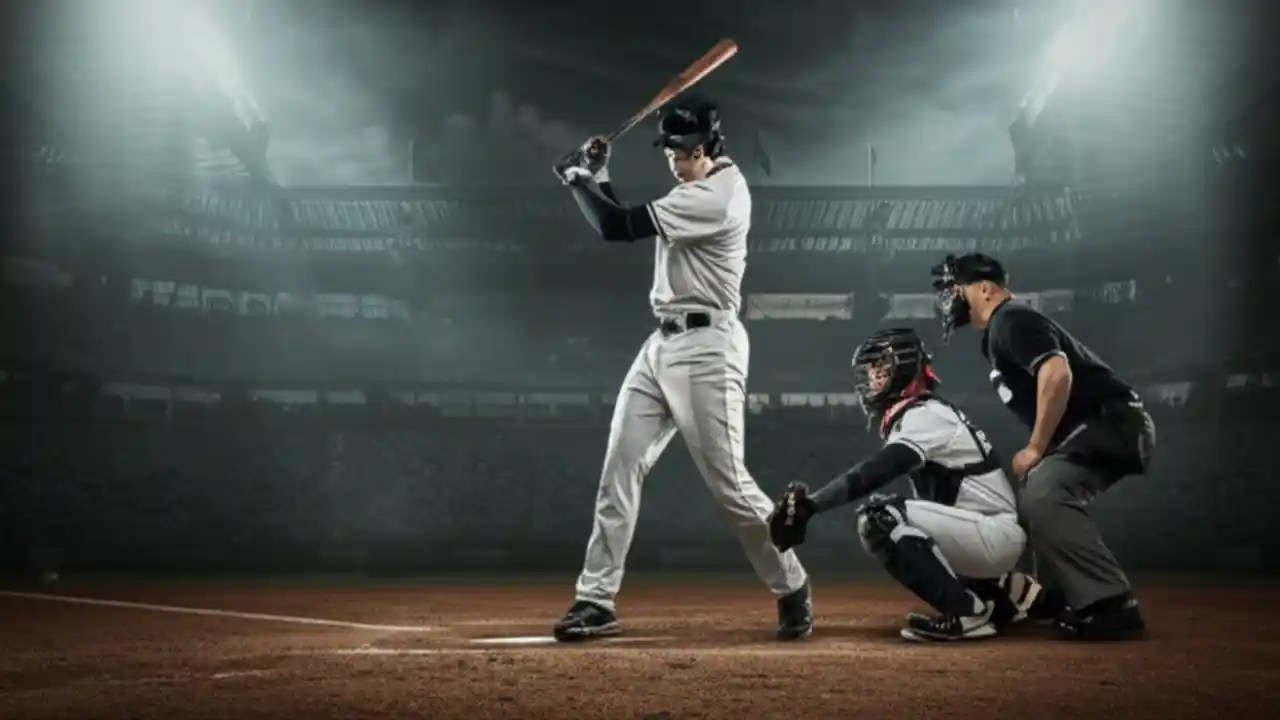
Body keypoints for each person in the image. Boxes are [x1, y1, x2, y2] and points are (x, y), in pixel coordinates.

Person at [548, 97, 813, 642]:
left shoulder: (719, 196)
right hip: (661, 343)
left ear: (712, 146)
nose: (676, 159)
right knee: (619, 467)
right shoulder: (692, 186)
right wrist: (597, 176)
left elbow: (615, 228)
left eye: (687, 150)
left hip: (708, 348)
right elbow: (633, 218)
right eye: (670, 149)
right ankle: (595, 599)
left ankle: (792, 585)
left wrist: (578, 180)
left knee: (731, 487)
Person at [930, 253, 1154, 640]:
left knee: (1044, 493)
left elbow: (1056, 371)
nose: (949, 296)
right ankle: (1062, 596)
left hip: (1111, 421)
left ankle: (1112, 603)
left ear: (985, 288)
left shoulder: (1010, 319)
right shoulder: (1002, 328)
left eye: (956, 287)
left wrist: (1036, 447)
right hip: (1100, 423)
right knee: (1034, 490)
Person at [767, 328, 1044, 641]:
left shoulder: (926, 413)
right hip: (986, 535)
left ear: (903, 368)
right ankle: (1001, 597)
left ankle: (967, 613)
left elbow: (877, 470)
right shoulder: (926, 413)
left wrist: (813, 505)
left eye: (880, 366)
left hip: (992, 536)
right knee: (904, 519)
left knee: (880, 517)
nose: (871, 376)